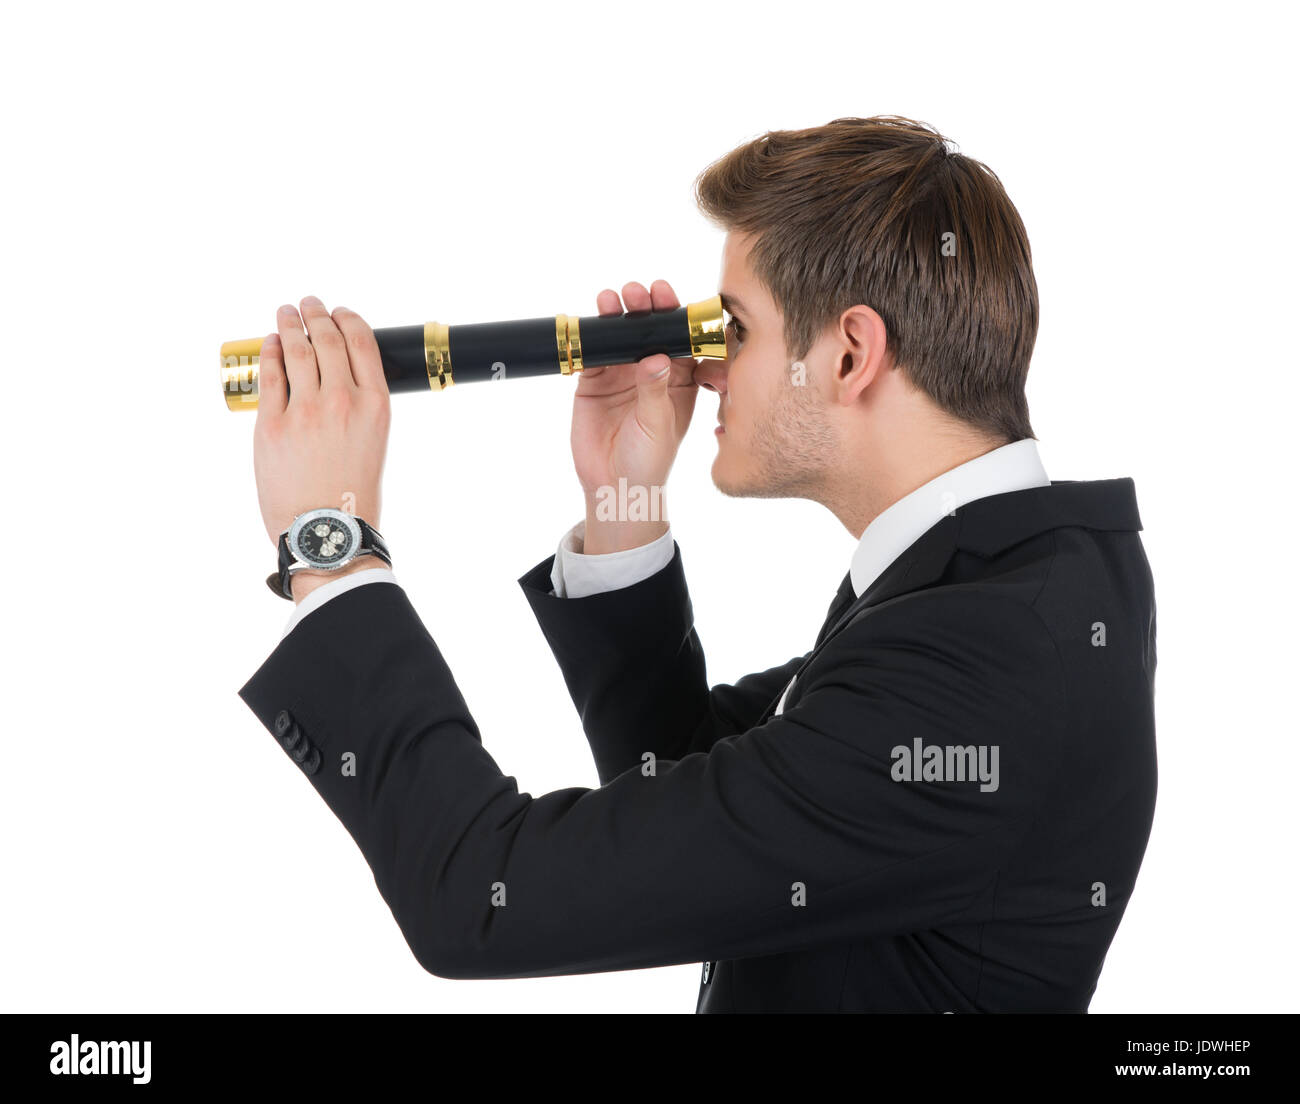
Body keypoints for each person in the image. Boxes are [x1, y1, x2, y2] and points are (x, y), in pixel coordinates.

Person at [239, 116, 1157, 1013]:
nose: (704, 368)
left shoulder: (986, 660)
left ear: (848, 354)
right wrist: (622, 504)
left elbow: (480, 896)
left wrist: (332, 542)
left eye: (734, 331)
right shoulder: (1005, 577)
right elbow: (699, 794)